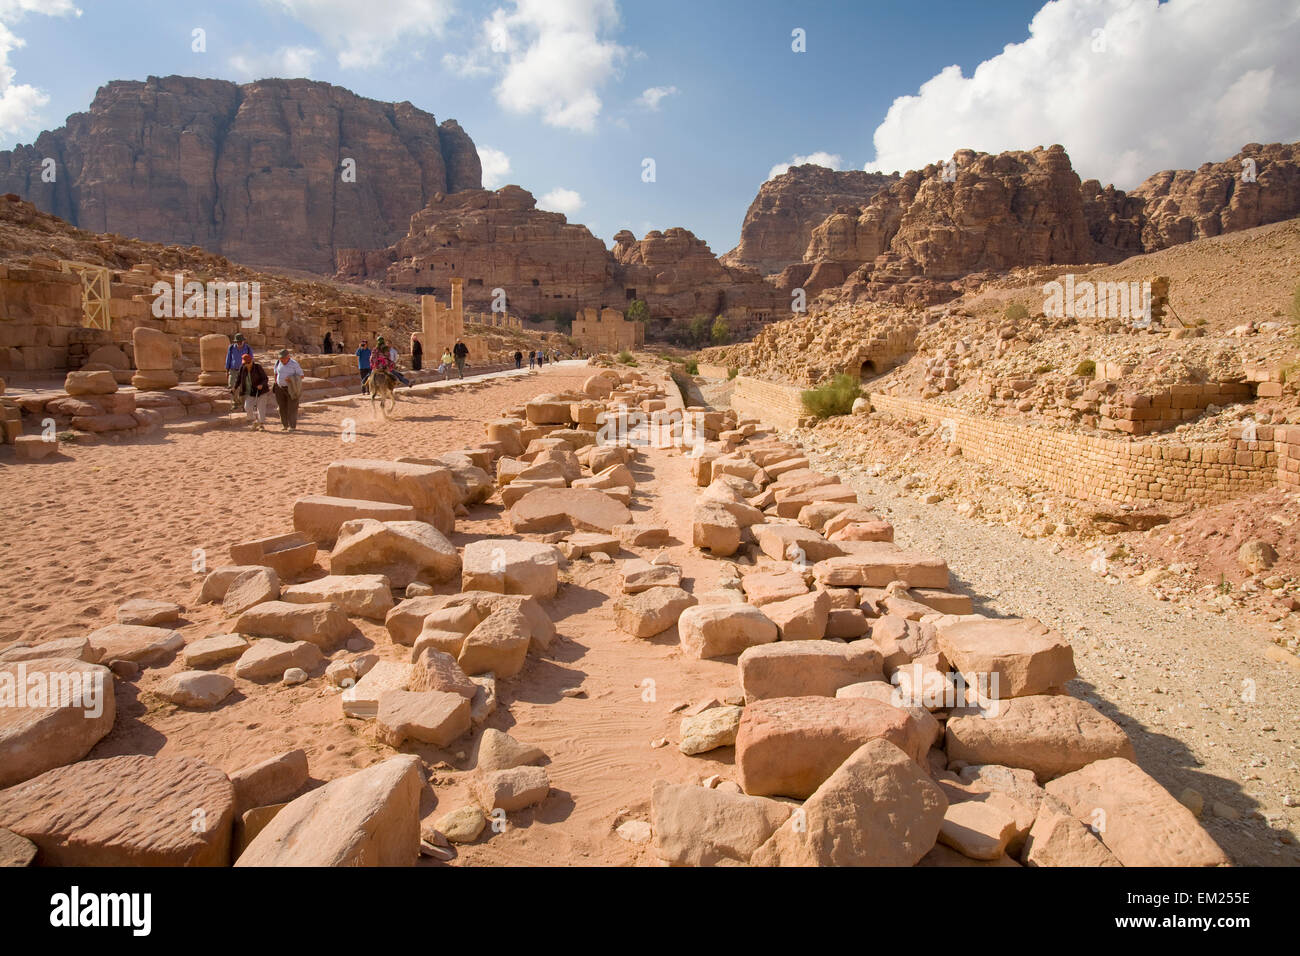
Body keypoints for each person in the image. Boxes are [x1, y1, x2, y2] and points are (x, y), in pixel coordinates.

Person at [233, 352, 272, 430]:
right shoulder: (242, 368)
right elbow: (238, 379)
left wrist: (261, 384)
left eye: (248, 363)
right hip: (250, 391)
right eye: (245, 363)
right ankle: (256, 421)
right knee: (247, 407)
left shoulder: (258, 367)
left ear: (251, 361)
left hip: (261, 391)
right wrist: (234, 387)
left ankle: (261, 425)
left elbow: (265, 379)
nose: (246, 365)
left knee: (261, 408)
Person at [272, 348, 304, 431]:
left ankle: (292, 426)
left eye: (283, 358)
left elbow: (301, 376)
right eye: (280, 358)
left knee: (292, 407)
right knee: (282, 407)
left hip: (291, 388)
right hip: (280, 388)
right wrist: (276, 382)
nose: (282, 360)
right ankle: (284, 425)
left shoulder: (294, 364)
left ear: (288, 357)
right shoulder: (278, 363)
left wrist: (291, 379)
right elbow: (276, 373)